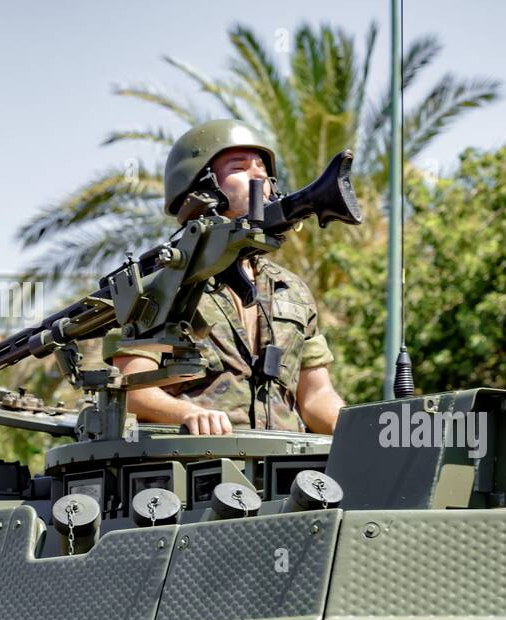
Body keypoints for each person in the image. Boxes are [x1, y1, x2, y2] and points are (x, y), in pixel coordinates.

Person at [104, 120, 346, 435]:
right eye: (239, 167)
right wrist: (187, 413)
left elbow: (315, 397)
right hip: (199, 466)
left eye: (261, 167)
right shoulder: (162, 284)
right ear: (202, 187)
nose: (258, 175)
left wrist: (358, 429)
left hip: (289, 471)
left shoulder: (292, 290)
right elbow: (132, 391)